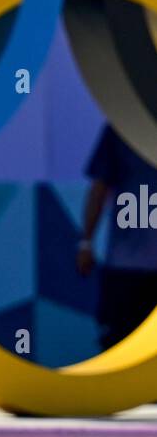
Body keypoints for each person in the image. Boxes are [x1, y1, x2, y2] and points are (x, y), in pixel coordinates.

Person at [76, 124, 157, 350]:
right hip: (126, 268)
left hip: (126, 265)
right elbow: (99, 188)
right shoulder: (121, 126)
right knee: (120, 341)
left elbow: (99, 189)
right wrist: (86, 242)